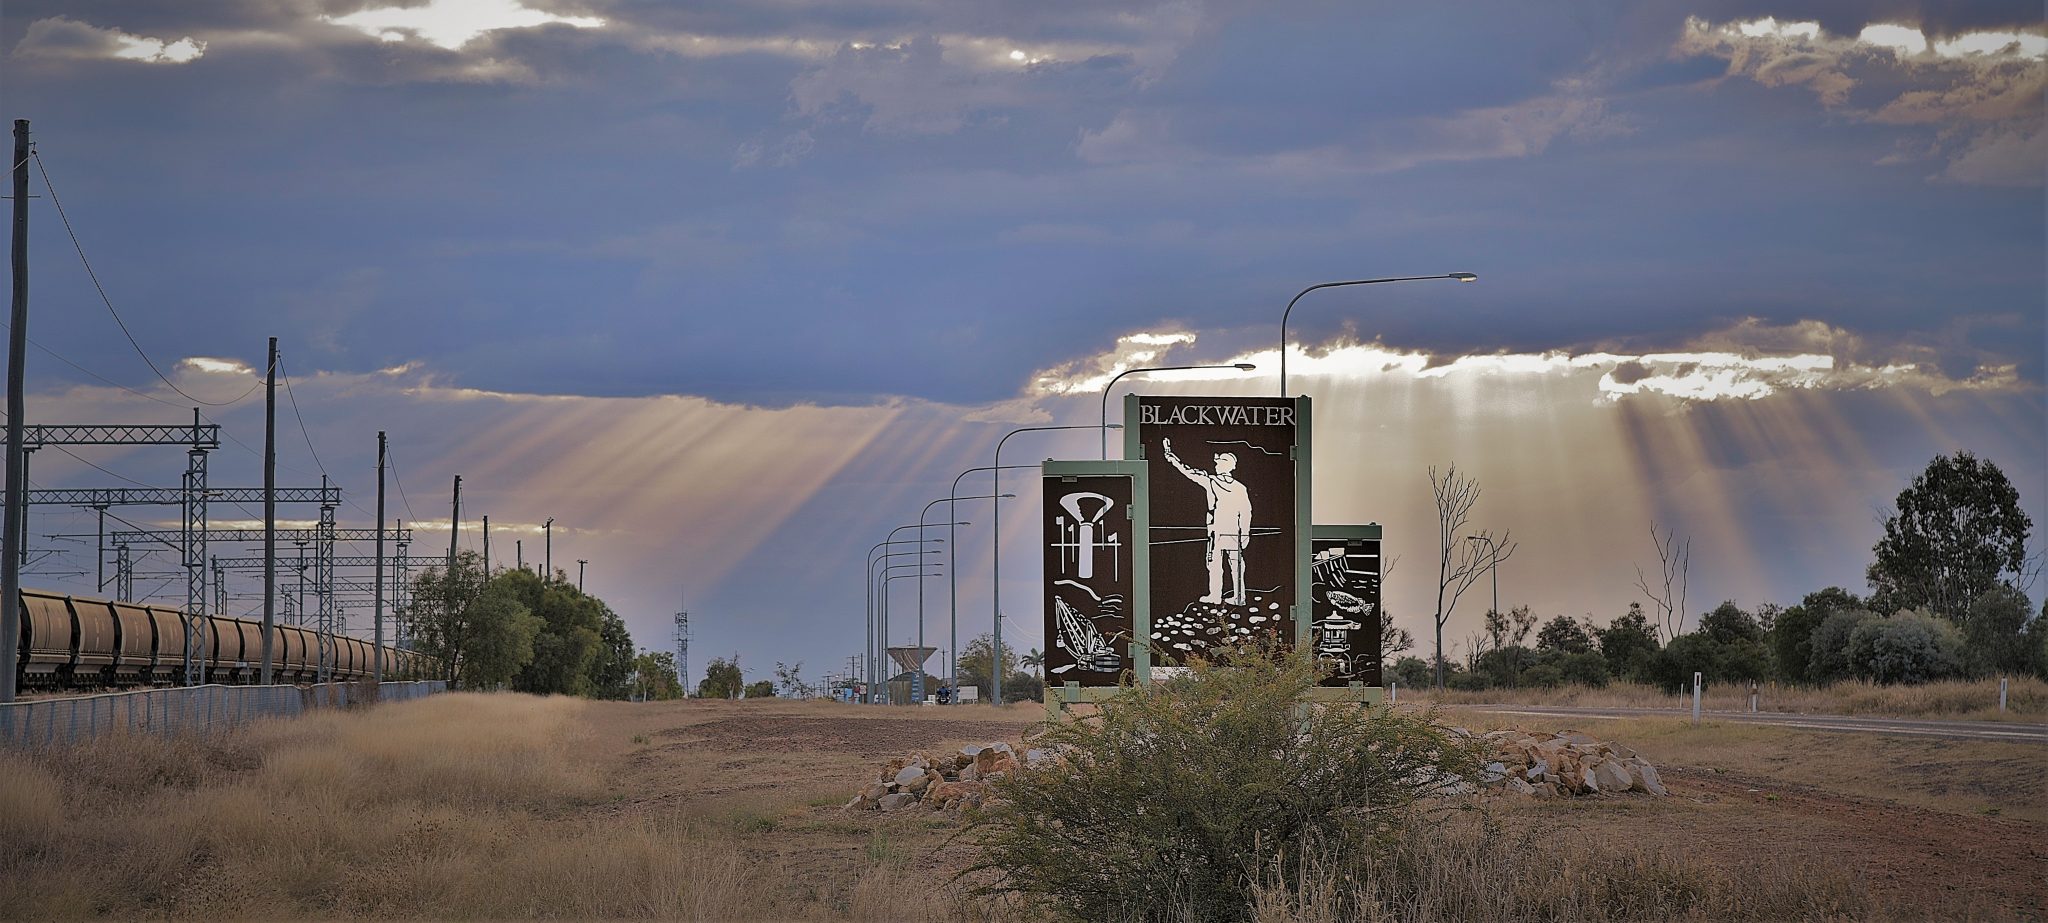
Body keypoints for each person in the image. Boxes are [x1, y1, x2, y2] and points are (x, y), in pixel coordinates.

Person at [1162, 437, 1252, 605]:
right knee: (1237, 565)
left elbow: (1187, 471)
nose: (1215, 465)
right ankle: (1239, 597)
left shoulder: (1211, 482)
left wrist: (1170, 456)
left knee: (1214, 563)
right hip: (1234, 531)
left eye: (1218, 463)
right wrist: (1245, 533)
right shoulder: (1240, 487)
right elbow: (1246, 512)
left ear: (1223, 466)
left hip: (1217, 529)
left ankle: (1216, 596)